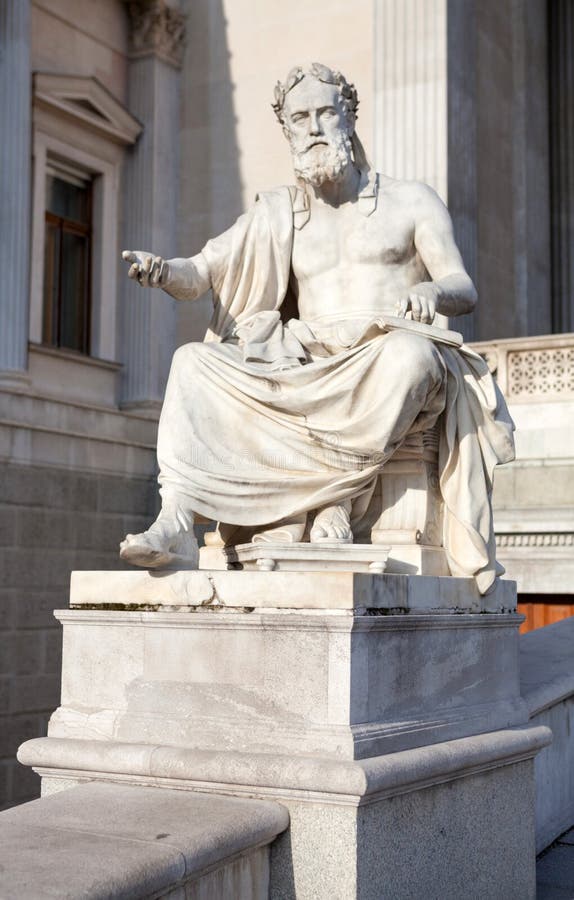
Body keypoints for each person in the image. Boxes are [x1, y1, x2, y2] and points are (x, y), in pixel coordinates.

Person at [119, 62, 514, 594]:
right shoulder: (279, 211)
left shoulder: (410, 200)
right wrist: (164, 271)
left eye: (325, 113)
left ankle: (335, 500)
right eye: (299, 119)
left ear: (349, 117)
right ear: (287, 131)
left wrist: (432, 292)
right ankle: (177, 516)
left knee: (412, 357)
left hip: (383, 348)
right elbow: (202, 271)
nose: (313, 128)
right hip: (303, 358)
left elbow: (462, 285)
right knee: (191, 363)